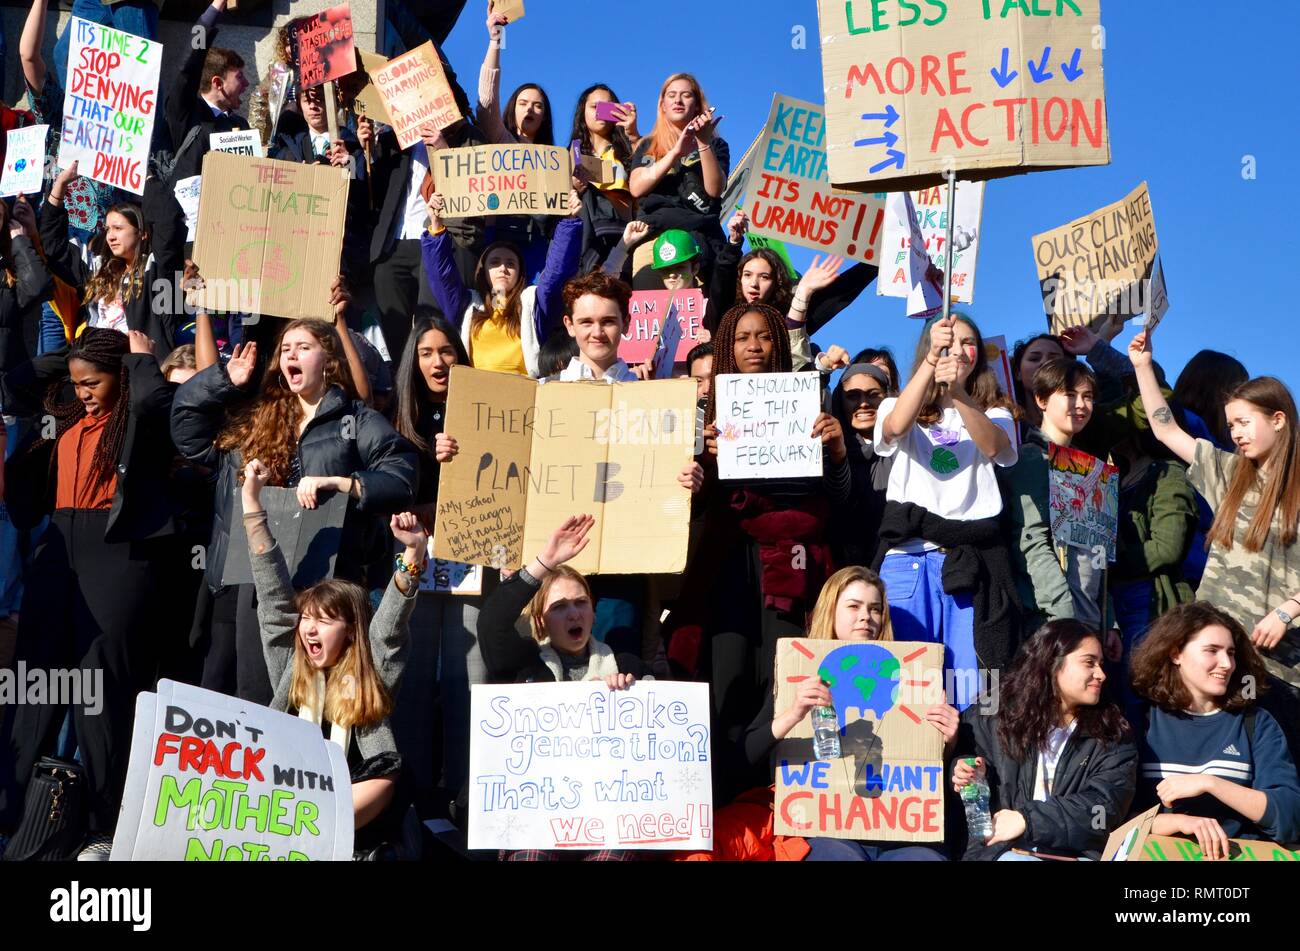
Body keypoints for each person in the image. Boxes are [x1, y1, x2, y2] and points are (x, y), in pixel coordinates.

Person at [169, 312, 417, 704]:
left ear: (329, 361)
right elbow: (186, 428)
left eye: (304, 347)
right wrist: (222, 381)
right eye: (285, 349)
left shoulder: (354, 419)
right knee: (256, 693)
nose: (291, 355)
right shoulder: (256, 416)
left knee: (317, 698)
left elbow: (402, 477)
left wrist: (343, 483)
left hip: (325, 584)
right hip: (259, 580)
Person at [0, 329, 180, 859]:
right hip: (59, 551)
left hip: (115, 555)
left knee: (98, 693)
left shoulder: (140, 420)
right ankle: (11, 817)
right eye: (75, 382)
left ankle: (105, 828)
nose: (82, 392)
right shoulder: (65, 422)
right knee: (34, 682)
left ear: (120, 376)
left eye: (93, 381)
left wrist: (140, 358)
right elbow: (17, 381)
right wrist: (75, 351)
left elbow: (153, 398)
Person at [675, 303, 850, 801]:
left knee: (786, 677)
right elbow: (688, 505)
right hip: (729, 562)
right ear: (727, 348)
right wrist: (702, 467)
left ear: (779, 345)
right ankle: (726, 795)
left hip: (793, 565)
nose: (753, 346)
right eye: (742, 338)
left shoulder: (811, 405)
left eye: (764, 337)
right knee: (727, 677)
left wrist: (836, 453)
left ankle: (786, 796)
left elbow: (838, 499)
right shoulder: (703, 416)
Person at [241, 458, 425, 859]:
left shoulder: (372, 666)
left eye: (324, 621)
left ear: (351, 631)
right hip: (289, 800)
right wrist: (251, 503)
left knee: (388, 773)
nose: (309, 629)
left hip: (354, 812)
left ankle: (330, 841)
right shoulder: (292, 667)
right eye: (307, 619)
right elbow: (273, 598)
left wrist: (413, 551)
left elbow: (390, 625)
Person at [1129, 328, 1300, 752]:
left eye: (1244, 422)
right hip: (1218, 657)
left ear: (1278, 419)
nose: (1236, 433)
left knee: (1277, 770)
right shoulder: (1226, 471)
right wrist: (1143, 367)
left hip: (1283, 666)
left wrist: (1288, 611)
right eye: (1230, 425)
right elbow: (1166, 430)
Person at [744, 566, 958, 861]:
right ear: (831, 611)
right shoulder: (797, 676)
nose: (866, 617)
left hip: (900, 835)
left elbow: (929, 772)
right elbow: (746, 754)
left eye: (875, 609)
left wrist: (949, 740)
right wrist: (793, 714)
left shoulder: (911, 679)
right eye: (853, 606)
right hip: (826, 830)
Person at [872, 314, 1021, 710]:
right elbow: (894, 427)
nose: (959, 349)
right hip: (909, 561)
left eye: (969, 342)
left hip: (971, 564)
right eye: (948, 342)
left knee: (973, 687)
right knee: (906, 681)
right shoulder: (896, 401)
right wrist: (930, 366)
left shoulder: (997, 411)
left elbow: (996, 448)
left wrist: (957, 393)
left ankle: (968, 765)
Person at [476, 513, 644, 861]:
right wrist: (546, 562)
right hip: (535, 817)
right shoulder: (522, 665)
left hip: (606, 819)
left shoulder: (628, 668)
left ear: (594, 613)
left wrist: (631, 700)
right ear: (540, 620)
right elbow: (491, 623)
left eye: (581, 603)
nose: (573, 614)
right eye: (560, 607)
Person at [387, 315, 483, 816]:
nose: (438, 361)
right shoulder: (396, 417)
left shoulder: (484, 413)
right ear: (412, 361)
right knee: (414, 674)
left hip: (474, 560)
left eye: (446, 351)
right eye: (426, 352)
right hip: (415, 563)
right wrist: (429, 460)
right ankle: (412, 797)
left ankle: (469, 798)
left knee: (469, 677)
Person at [952, 619, 1137, 860]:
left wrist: (1028, 820)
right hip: (1000, 851)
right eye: (1089, 663)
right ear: (1052, 663)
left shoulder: (1112, 734)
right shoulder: (994, 715)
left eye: (1101, 664)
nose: (1101, 674)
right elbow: (965, 760)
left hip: (1074, 855)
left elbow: (1104, 810)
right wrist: (961, 769)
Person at [1130, 602, 1300, 855]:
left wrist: (1211, 783)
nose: (1226, 664)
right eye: (1212, 650)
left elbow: (1290, 818)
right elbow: (1107, 817)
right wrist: (1177, 822)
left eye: (1231, 653)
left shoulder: (1255, 722)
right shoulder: (1140, 720)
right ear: (1176, 653)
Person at [1002, 358, 1120, 649]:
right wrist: (1063, 616)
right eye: (1069, 394)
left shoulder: (1092, 468)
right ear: (1041, 400)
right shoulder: (1030, 458)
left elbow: (1097, 549)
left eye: (1088, 396)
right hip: (1050, 621)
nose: (1080, 404)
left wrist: (1109, 621)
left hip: (1090, 622)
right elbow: (1033, 542)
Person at [422, 191, 581, 377]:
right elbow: (442, 276)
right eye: (495, 262)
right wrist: (436, 225)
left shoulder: (531, 305)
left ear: (520, 274)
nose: (503, 268)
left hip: (522, 398)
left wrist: (569, 221)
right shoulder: (468, 306)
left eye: (511, 263)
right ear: (484, 271)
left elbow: (556, 273)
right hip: (476, 397)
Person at [38, 162, 186, 357]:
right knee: (28, 376)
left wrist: (146, 176)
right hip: (91, 355)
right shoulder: (97, 269)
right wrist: (61, 184)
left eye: (118, 228)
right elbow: (53, 247)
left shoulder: (158, 270)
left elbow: (169, 220)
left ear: (142, 233)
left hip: (134, 364)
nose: (110, 236)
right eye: (108, 229)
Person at [630, 74, 728, 264]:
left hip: (699, 243)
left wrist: (703, 142)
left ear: (698, 105)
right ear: (663, 105)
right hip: (653, 239)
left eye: (686, 95)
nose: (678, 100)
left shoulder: (716, 145)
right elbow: (636, 187)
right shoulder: (648, 145)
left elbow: (715, 190)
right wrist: (675, 152)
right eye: (671, 95)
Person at [164, 0, 252, 183]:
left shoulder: (241, 125)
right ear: (218, 83)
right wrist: (215, 8)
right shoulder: (186, 112)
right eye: (239, 78)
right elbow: (188, 66)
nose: (247, 84)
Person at [570, 83, 640, 273]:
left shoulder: (628, 151)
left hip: (620, 234)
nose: (600, 112)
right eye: (594, 107)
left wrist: (632, 133)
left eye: (607, 107)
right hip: (587, 239)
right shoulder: (572, 152)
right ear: (582, 112)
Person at [829, 363, 894, 567]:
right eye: (853, 396)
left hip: (896, 566)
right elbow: (837, 499)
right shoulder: (828, 448)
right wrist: (837, 454)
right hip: (843, 568)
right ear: (840, 401)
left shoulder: (907, 448)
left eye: (873, 394)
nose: (864, 403)